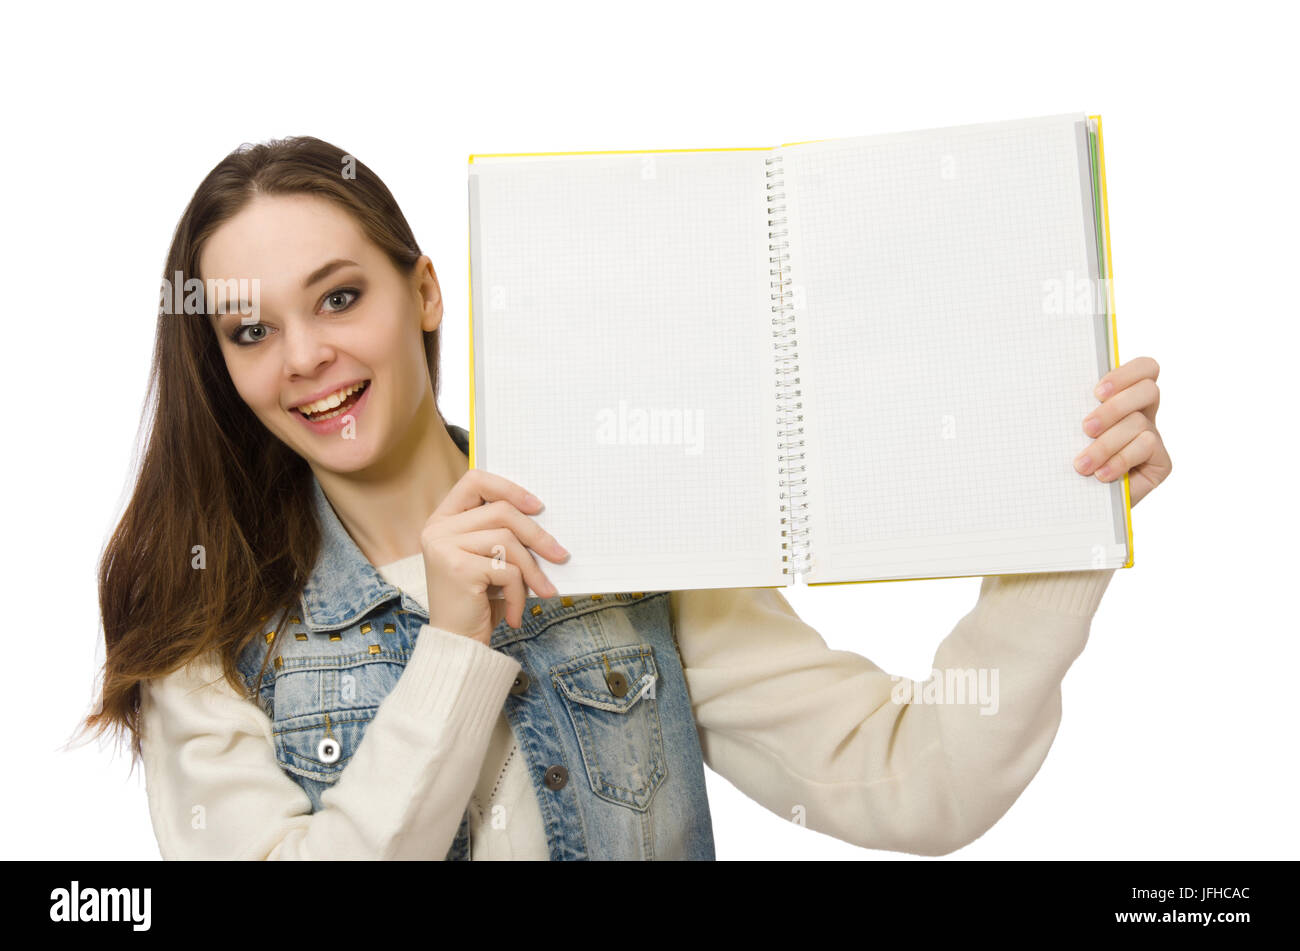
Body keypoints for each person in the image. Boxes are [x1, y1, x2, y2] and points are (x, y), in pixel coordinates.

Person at [85, 136, 1172, 860]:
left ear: (421, 291)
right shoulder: (204, 625)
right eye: (251, 331)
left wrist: (1065, 521)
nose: (309, 357)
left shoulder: (622, 522)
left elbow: (912, 784)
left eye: (338, 296)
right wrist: (456, 650)